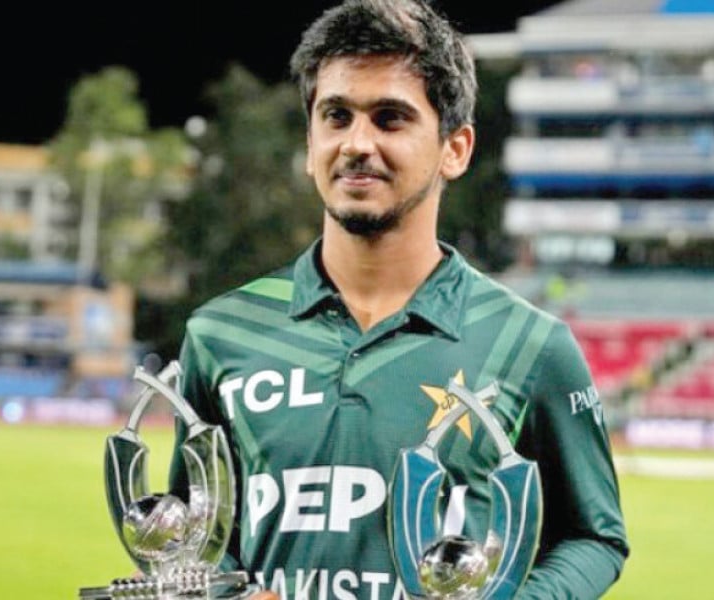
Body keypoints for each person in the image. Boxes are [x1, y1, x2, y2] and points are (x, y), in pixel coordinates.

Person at [169, 0, 629, 598]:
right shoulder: (220, 335)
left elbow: (594, 536)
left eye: (390, 119)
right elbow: (192, 536)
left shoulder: (532, 344)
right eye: (336, 116)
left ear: (454, 149)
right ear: (310, 144)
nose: (357, 143)